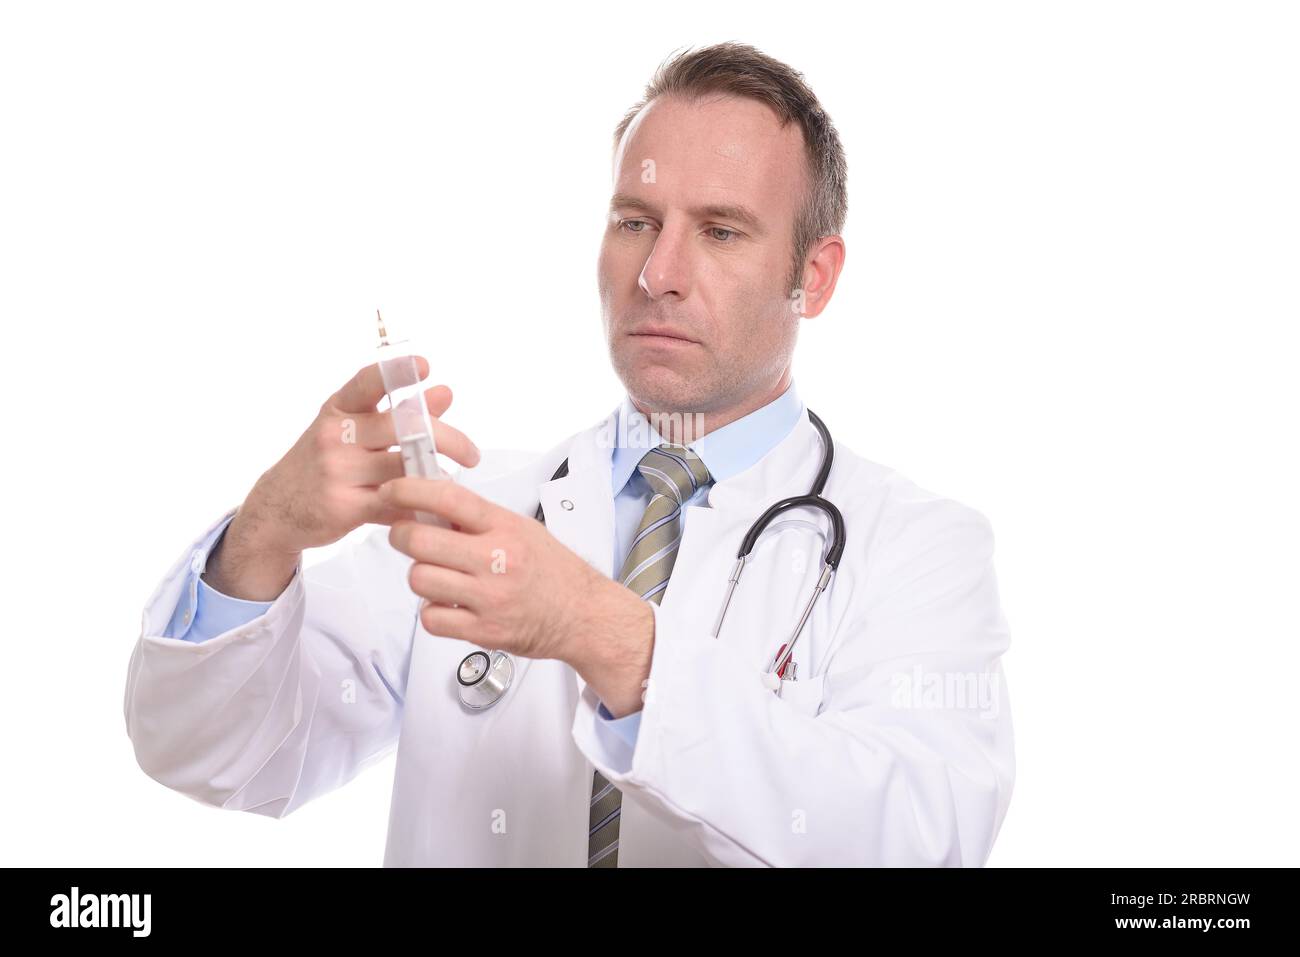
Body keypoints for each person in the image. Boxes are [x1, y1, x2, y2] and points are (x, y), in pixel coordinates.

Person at [124, 41, 1015, 867]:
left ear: (813, 277)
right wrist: (268, 531)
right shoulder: (473, 508)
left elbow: (917, 837)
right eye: (635, 219)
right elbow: (220, 754)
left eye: (720, 230)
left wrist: (605, 633)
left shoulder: (918, 547)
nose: (658, 271)